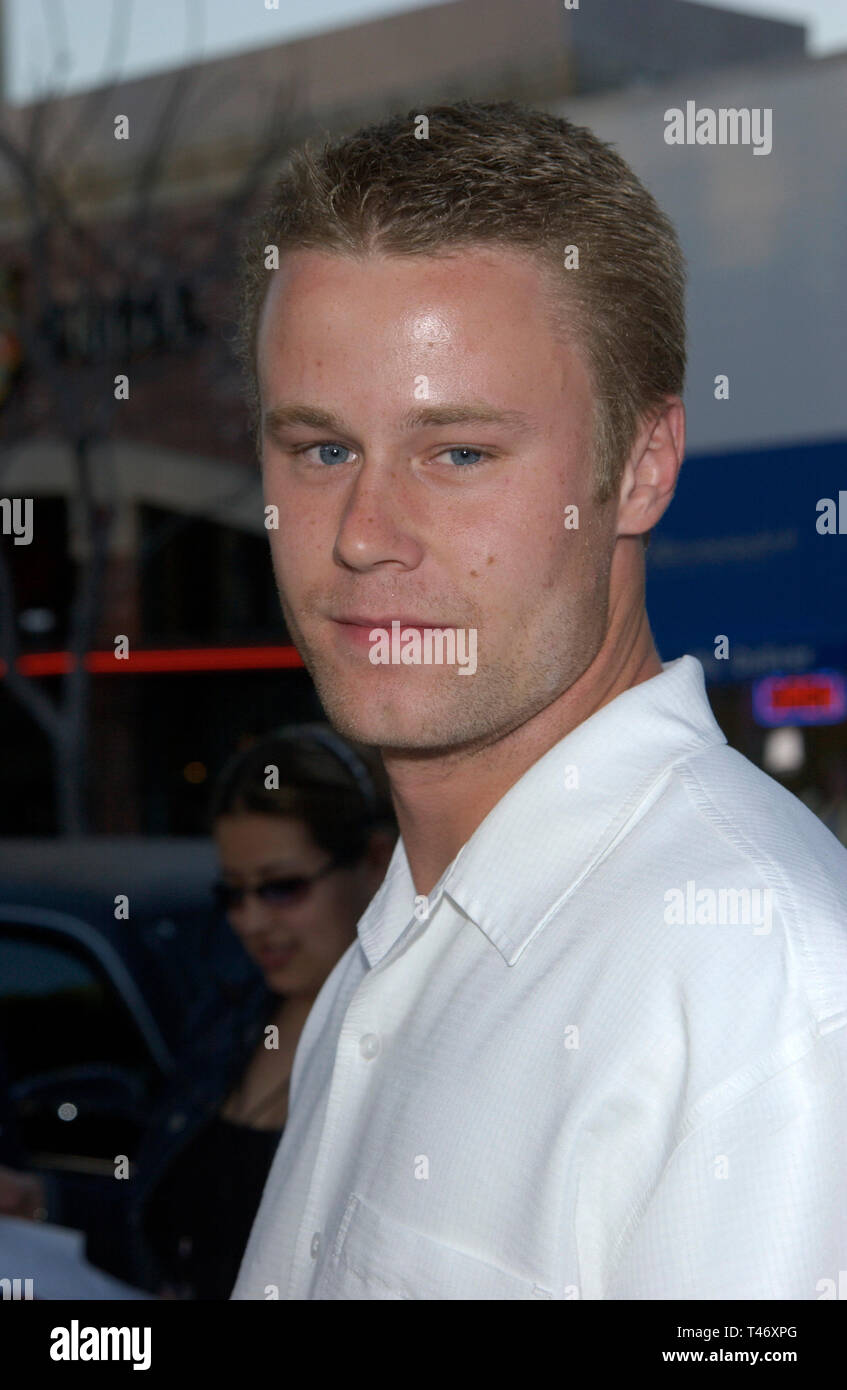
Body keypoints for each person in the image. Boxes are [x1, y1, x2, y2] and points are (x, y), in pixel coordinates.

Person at [228, 99, 847, 1301]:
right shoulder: (382, 954)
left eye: (456, 453)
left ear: (642, 466)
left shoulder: (760, 997)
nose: (362, 536)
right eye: (319, 450)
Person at [0, 725, 395, 1298]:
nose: (251, 921)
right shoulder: (228, 1021)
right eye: (233, 893)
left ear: (376, 861)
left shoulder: (403, 1043)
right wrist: (38, 1202)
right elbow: (171, 1226)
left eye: (282, 887)